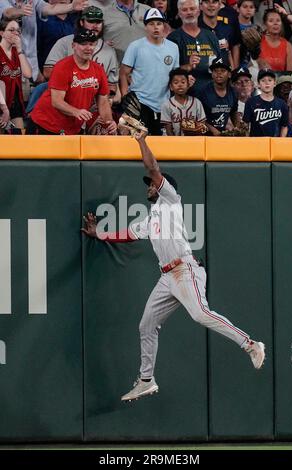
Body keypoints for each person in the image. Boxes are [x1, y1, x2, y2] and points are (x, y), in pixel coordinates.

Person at [81, 130, 266, 402]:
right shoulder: (151, 218)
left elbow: (152, 167)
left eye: (152, 184)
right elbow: (128, 234)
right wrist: (99, 234)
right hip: (167, 277)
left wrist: (141, 141)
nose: (149, 186)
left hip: (184, 269)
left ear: (164, 186)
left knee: (201, 314)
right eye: (149, 184)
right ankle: (146, 379)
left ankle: (250, 344)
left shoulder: (171, 200)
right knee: (146, 325)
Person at [27, 28, 117, 135]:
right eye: (83, 44)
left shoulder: (98, 70)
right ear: (73, 45)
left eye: (91, 44)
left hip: (71, 129)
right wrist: (76, 111)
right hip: (45, 124)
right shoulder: (62, 67)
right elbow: (56, 101)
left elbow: (103, 101)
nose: (88, 48)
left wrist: (108, 122)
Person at [120, 8, 180, 135]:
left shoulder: (173, 48)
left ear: (164, 26)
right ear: (145, 26)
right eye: (151, 24)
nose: (155, 27)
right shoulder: (135, 46)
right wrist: (125, 96)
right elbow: (124, 72)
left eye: (159, 23)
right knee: (136, 142)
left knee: (161, 145)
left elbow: (175, 75)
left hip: (164, 103)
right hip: (139, 101)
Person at [0, 0, 89, 82]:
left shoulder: (33, 1)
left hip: (30, 70)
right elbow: (8, 13)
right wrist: (20, 11)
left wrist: (71, 6)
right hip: (7, 69)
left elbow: (50, 8)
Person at [43, 6, 119, 99]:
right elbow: (47, 72)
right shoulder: (64, 42)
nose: (95, 26)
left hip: (96, 103)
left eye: (98, 22)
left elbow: (112, 85)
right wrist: (81, 83)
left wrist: (108, 99)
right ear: (81, 22)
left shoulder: (109, 51)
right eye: (91, 22)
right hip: (65, 97)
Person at [167, 0, 221, 96]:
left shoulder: (211, 36)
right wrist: (188, 66)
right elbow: (168, 71)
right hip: (185, 96)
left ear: (199, 11)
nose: (189, 12)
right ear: (179, 13)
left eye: (192, 9)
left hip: (212, 95)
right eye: (184, 10)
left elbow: (220, 66)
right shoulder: (173, 38)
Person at [0, 18, 32, 131]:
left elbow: (28, 74)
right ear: (2, 33)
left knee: (18, 136)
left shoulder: (17, 52)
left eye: (18, 30)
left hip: (15, 100)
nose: (16, 33)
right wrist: (3, 107)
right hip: (1, 99)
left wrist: (19, 49)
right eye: (11, 30)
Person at [198, 56, 241, 135]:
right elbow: (198, 118)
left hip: (223, 134)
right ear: (212, 74)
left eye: (223, 70)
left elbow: (234, 112)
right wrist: (214, 131)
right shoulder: (203, 92)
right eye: (215, 71)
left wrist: (237, 127)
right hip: (205, 135)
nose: (219, 73)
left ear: (229, 74)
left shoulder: (233, 92)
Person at [243, 67, 289, 136]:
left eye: (270, 80)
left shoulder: (282, 104)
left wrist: (281, 142)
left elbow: (284, 126)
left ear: (275, 83)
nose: (267, 83)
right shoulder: (251, 102)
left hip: (275, 144)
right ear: (258, 84)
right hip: (256, 143)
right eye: (263, 80)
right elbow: (245, 125)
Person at [161, 67, 206, 135]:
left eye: (183, 82)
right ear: (171, 87)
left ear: (188, 85)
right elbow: (168, 130)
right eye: (176, 83)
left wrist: (198, 129)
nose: (180, 85)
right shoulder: (167, 105)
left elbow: (202, 124)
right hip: (173, 141)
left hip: (193, 141)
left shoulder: (196, 102)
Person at [199, 0, 241, 69]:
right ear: (200, 6)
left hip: (225, 71)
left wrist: (235, 72)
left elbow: (234, 46)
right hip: (202, 74)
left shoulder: (226, 26)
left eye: (214, 2)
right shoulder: (195, 24)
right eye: (207, 2)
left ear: (219, 5)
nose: (211, 5)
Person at [37, 0, 76, 71]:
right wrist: (37, 72)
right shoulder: (42, 20)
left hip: (72, 70)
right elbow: (35, 48)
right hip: (47, 69)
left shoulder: (76, 20)